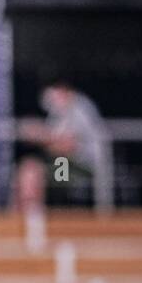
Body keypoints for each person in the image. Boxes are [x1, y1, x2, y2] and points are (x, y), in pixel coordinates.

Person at [16, 81, 111, 210]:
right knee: (28, 169)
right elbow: (56, 140)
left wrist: (42, 136)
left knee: (33, 173)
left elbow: (68, 146)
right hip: (64, 163)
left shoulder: (80, 110)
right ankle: (18, 222)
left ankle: (35, 223)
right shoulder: (59, 112)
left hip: (82, 167)